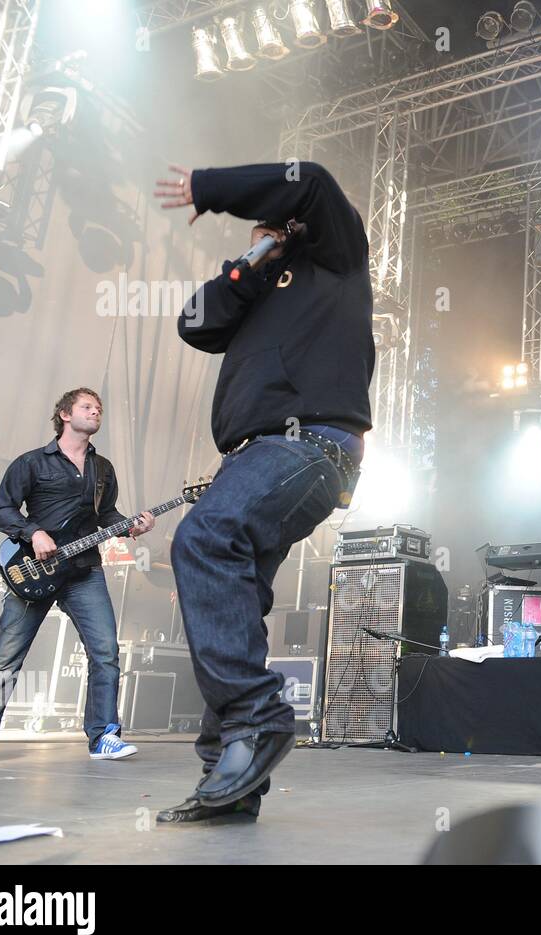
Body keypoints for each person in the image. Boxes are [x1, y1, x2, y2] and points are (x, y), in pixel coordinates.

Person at [152, 161, 373, 823]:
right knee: (235, 596)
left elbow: (310, 179)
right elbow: (195, 323)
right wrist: (247, 262)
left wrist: (210, 188)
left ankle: (257, 717)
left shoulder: (336, 254)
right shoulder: (254, 290)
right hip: (257, 455)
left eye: (275, 223)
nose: (267, 228)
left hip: (308, 442)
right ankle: (232, 774)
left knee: (205, 537)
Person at [0, 389, 151, 762]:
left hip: (84, 570)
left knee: (105, 652)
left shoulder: (102, 468)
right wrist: (34, 532)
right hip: (33, 570)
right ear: (65, 414)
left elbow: (107, 516)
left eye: (99, 408)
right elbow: (3, 510)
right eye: (87, 407)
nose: (96, 411)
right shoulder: (32, 463)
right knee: (6, 656)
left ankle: (104, 736)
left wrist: (130, 526)